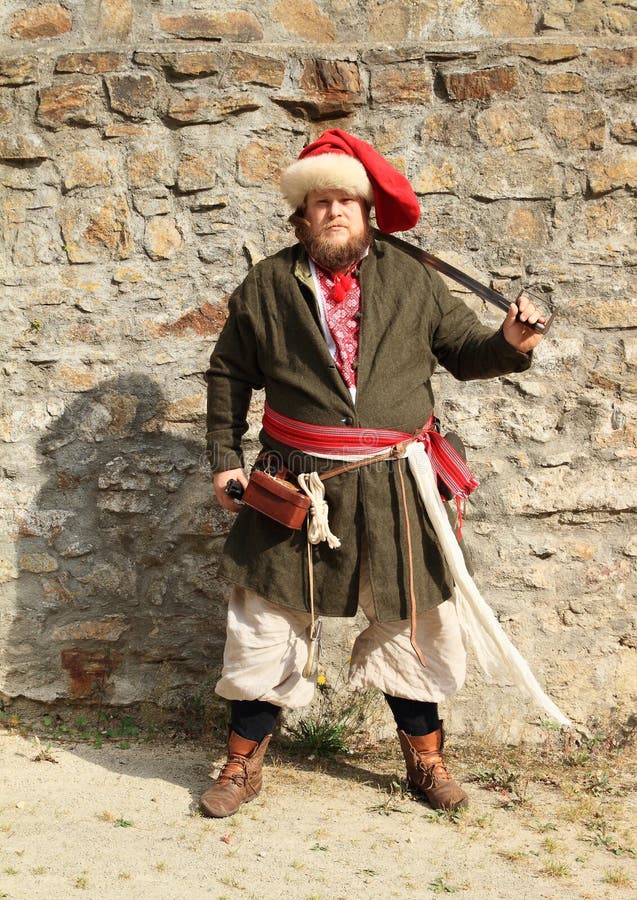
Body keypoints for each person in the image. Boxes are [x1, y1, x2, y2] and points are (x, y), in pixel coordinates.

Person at [202, 129, 545, 818]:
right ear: (301, 214)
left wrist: (508, 342)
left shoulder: (412, 278)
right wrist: (223, 459)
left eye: (347, 202)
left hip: (396, 481)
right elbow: (229, 374)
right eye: (320, 201)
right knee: (267, 619)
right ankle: (240, 766)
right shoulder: (268, 283)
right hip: (294, 480)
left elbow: (464, 350)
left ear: (366, 213)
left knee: (411, 619)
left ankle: (425, 762)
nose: (333, 212)